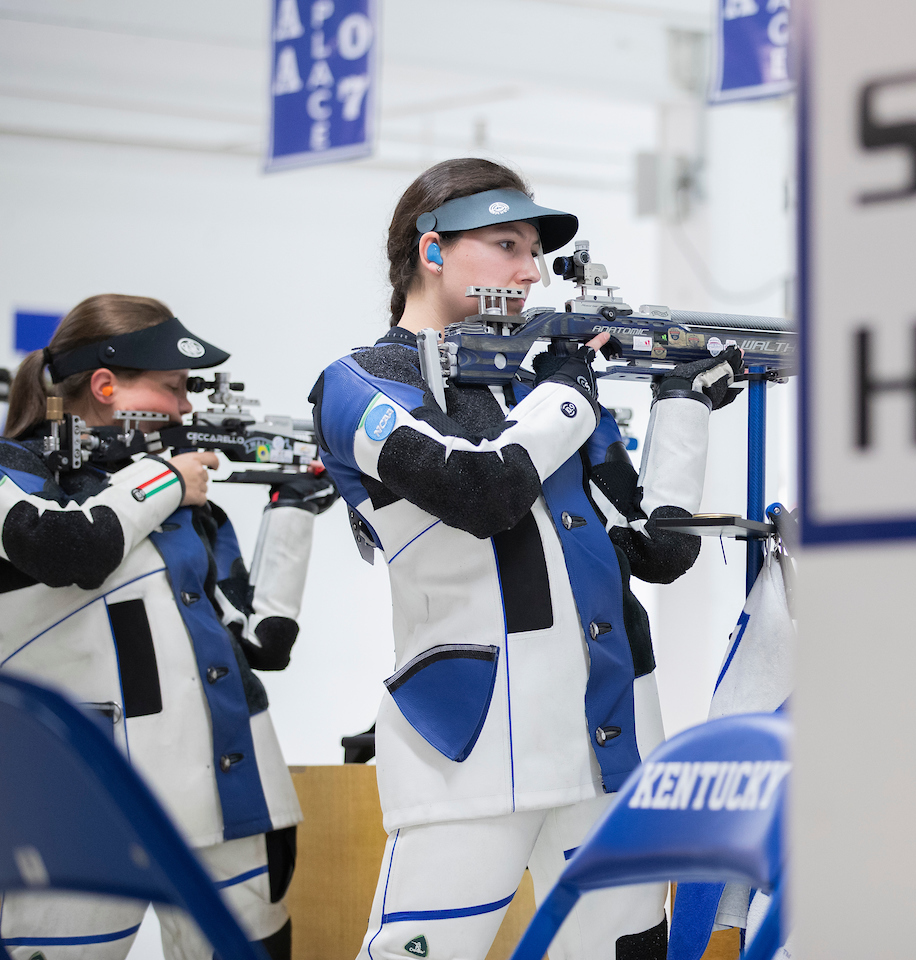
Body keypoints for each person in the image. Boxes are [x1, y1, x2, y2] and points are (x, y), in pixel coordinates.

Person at [310, 158, 743, 960]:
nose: (531, 270)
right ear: (432, 250)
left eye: (534, 251)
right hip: (472, 745)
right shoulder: (360, 382)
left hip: (610, 734)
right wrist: (571, 392)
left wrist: (683, 403)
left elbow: (657, 552)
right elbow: (478, 491)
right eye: (507, 244)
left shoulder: (543, 387)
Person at [0, 295, 335, 960]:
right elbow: (68, 550)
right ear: (105, 385)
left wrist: (293, 510)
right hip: (75, 804)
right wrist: (163, 479)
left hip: (227, 794)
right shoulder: (22, 473)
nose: (187, 410)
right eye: (175, 388)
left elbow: (264, 646)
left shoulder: (177, 509)